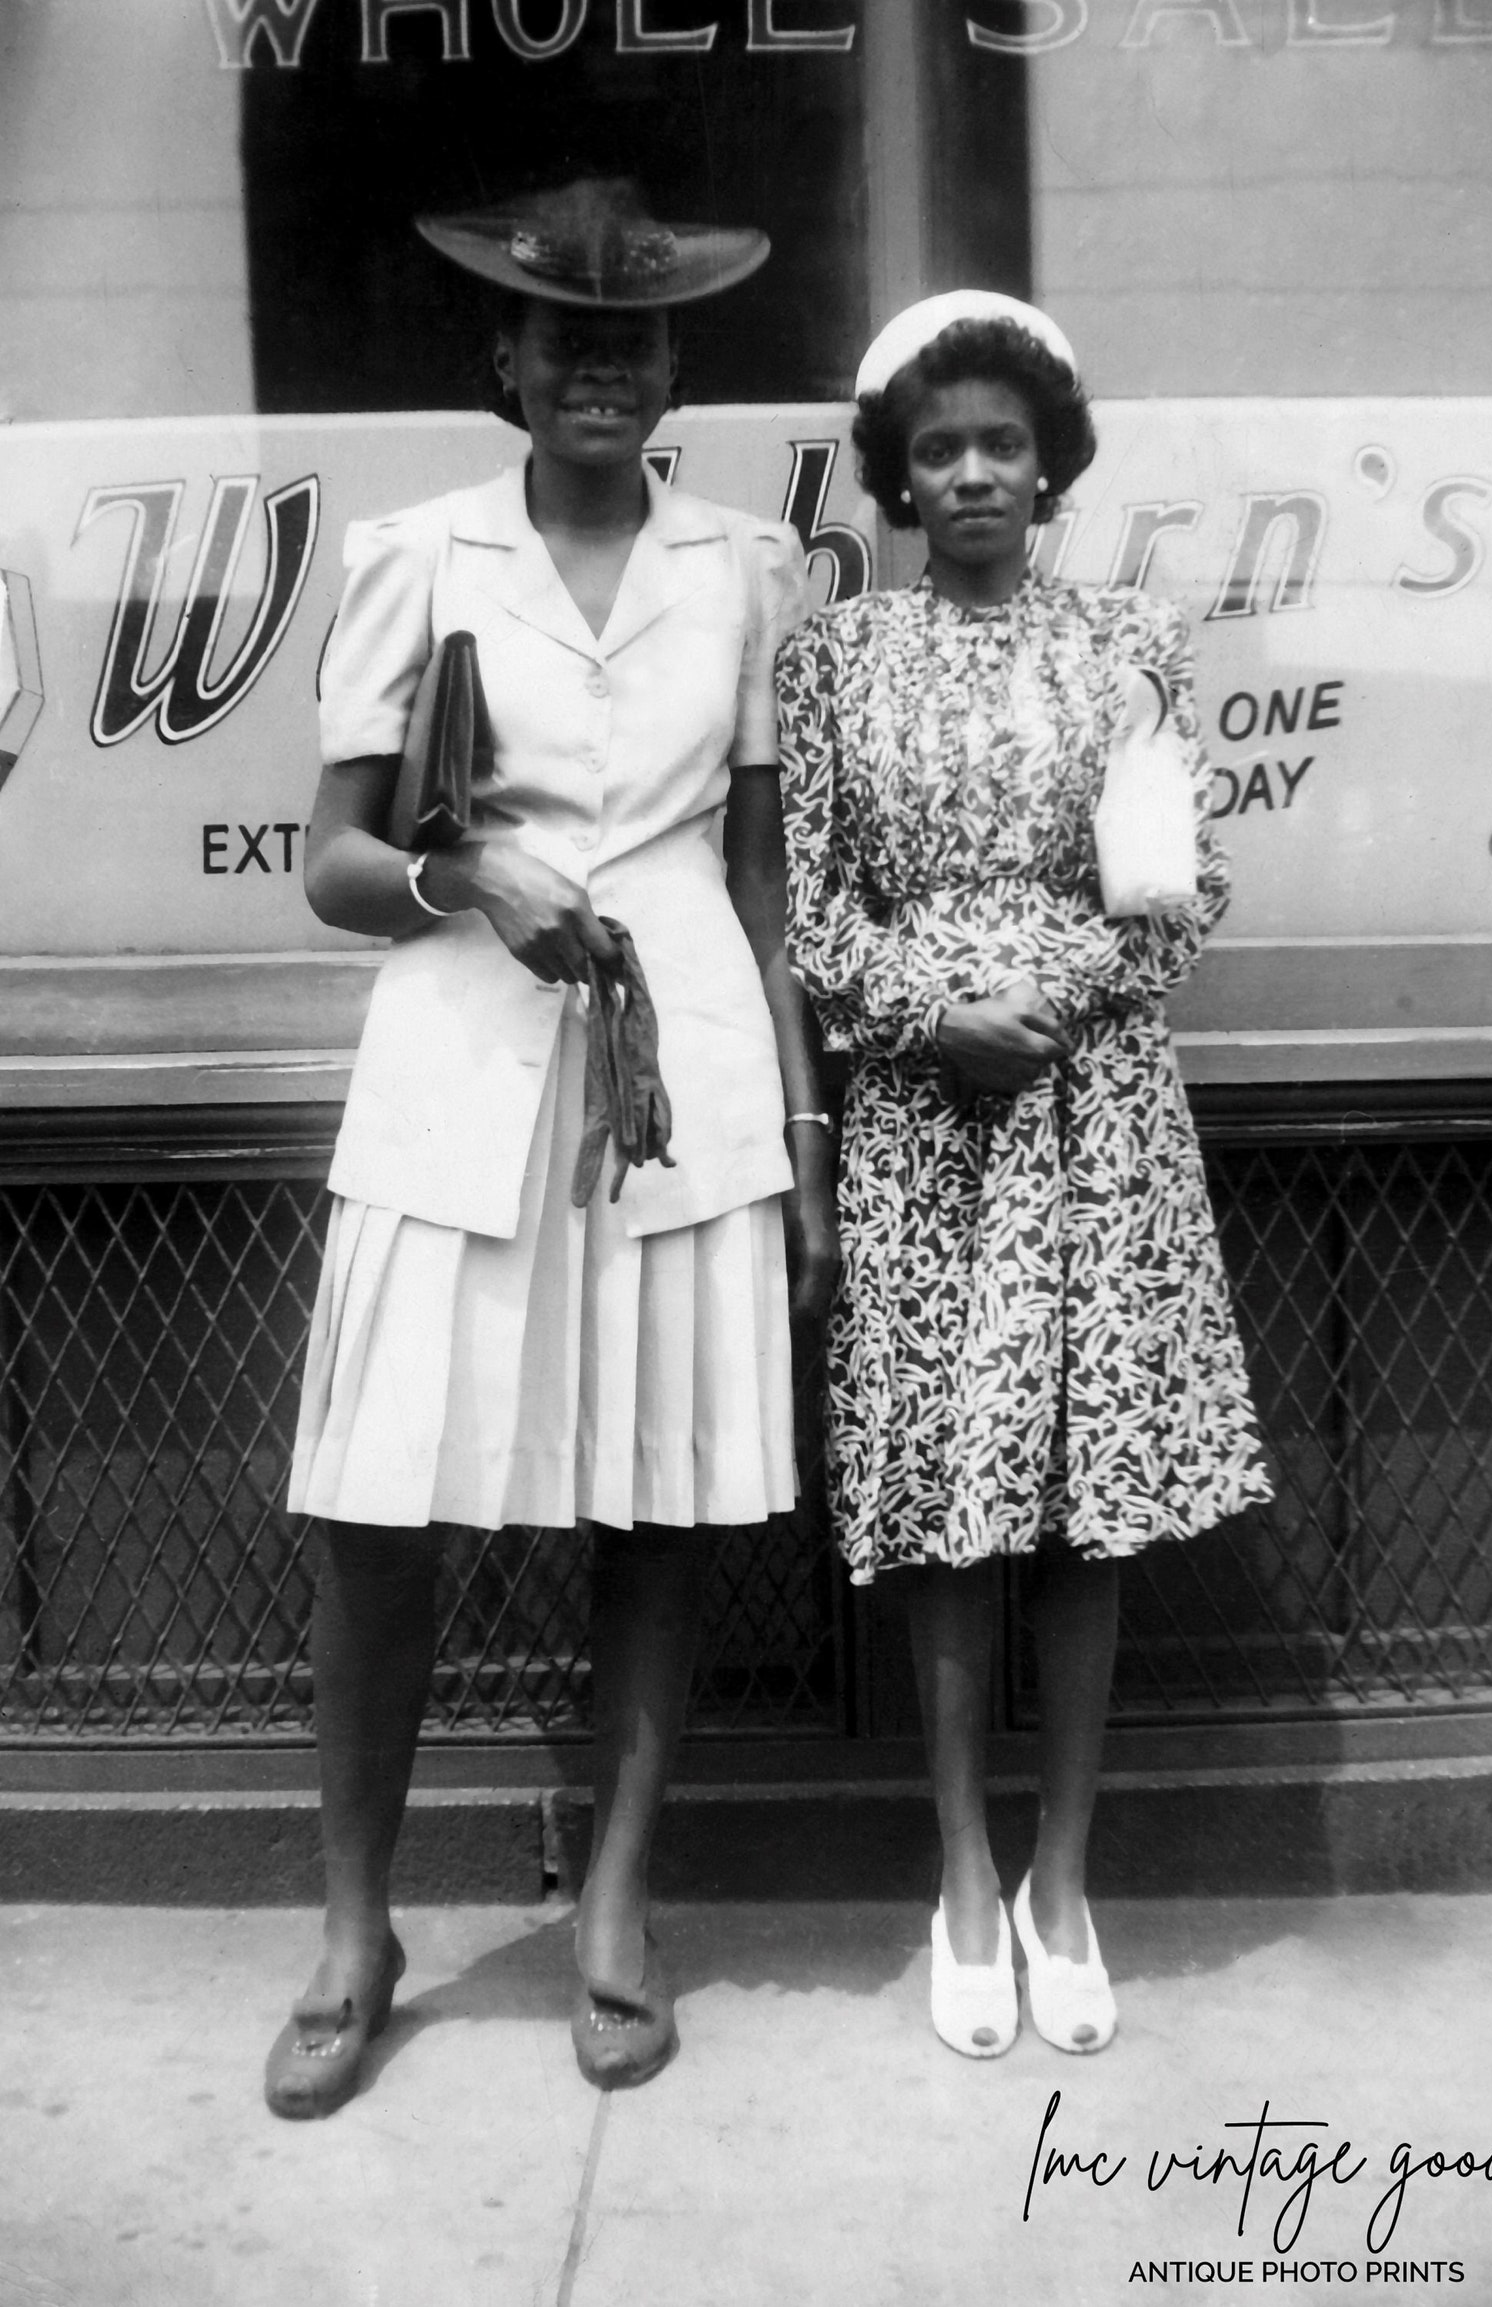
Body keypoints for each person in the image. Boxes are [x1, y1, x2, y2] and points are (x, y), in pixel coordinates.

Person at [266, 177, 836, 2115]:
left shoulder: (748, 564)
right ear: (501, 359)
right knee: (375, 1505)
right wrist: (465, 873)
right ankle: (354, 1922)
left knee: (656, 1495)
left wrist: (805, 1130)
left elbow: (758, 878)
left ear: (672, 364)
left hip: (680, 1072)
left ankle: (611, 1897)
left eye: (632, 337)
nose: (597, 364)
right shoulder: (413, 554)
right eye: (558, 333)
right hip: (457, 1056)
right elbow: (330, 860)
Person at [775, 292, 1269, 2061]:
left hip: (1091, 1109)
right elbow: (818, 920)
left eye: (1001, 443)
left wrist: (1044, 1010)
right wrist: (933, 1017)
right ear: (897, 483)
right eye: (937, 449)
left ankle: (1068, 1875)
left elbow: (1174, 890)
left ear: (1048, 465)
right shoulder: (833, 660)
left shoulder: (1130, 643)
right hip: (921, 1123)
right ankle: (966, 1877)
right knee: (947, 1507)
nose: (973, 472)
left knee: (1085, 1494)